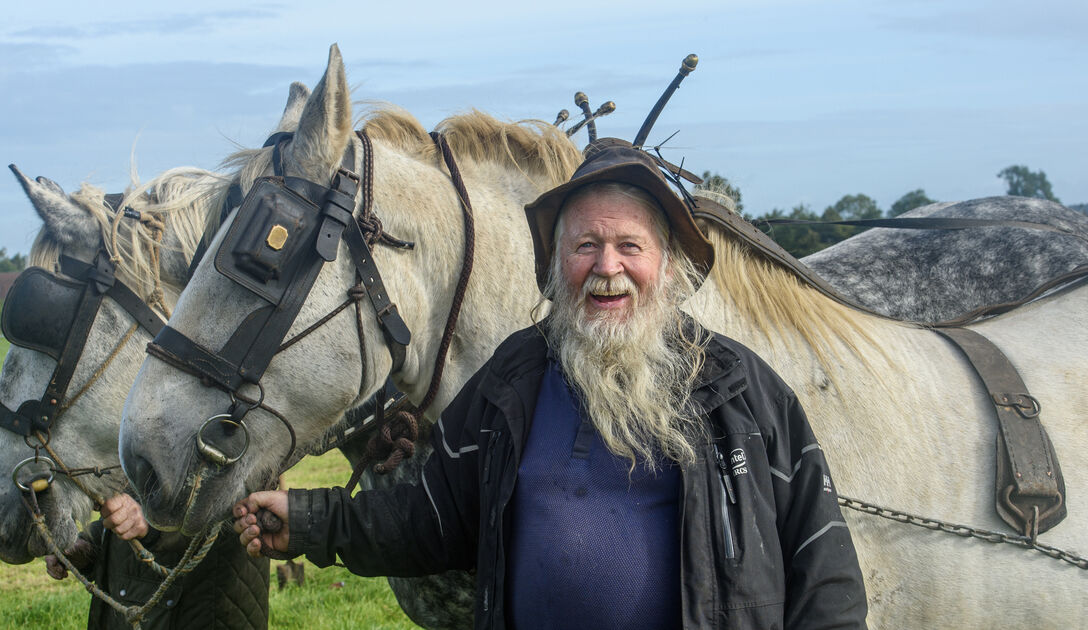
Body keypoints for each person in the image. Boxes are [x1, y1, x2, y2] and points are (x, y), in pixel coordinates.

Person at [232, 139, 868, 629]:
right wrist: (314, 521)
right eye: (585, 244)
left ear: (666, 265)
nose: (607, 267)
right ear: (557, 262)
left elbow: (824, 570)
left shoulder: (743, 392)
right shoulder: (516, 377)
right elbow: (429, 518)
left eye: (629, 246)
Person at [47, 493, 270, 629]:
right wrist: (86, 546)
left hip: (204, 611)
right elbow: (130, 510)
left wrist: (153, 528)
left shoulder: (231, 421)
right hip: (134, 613)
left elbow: (233, 511)